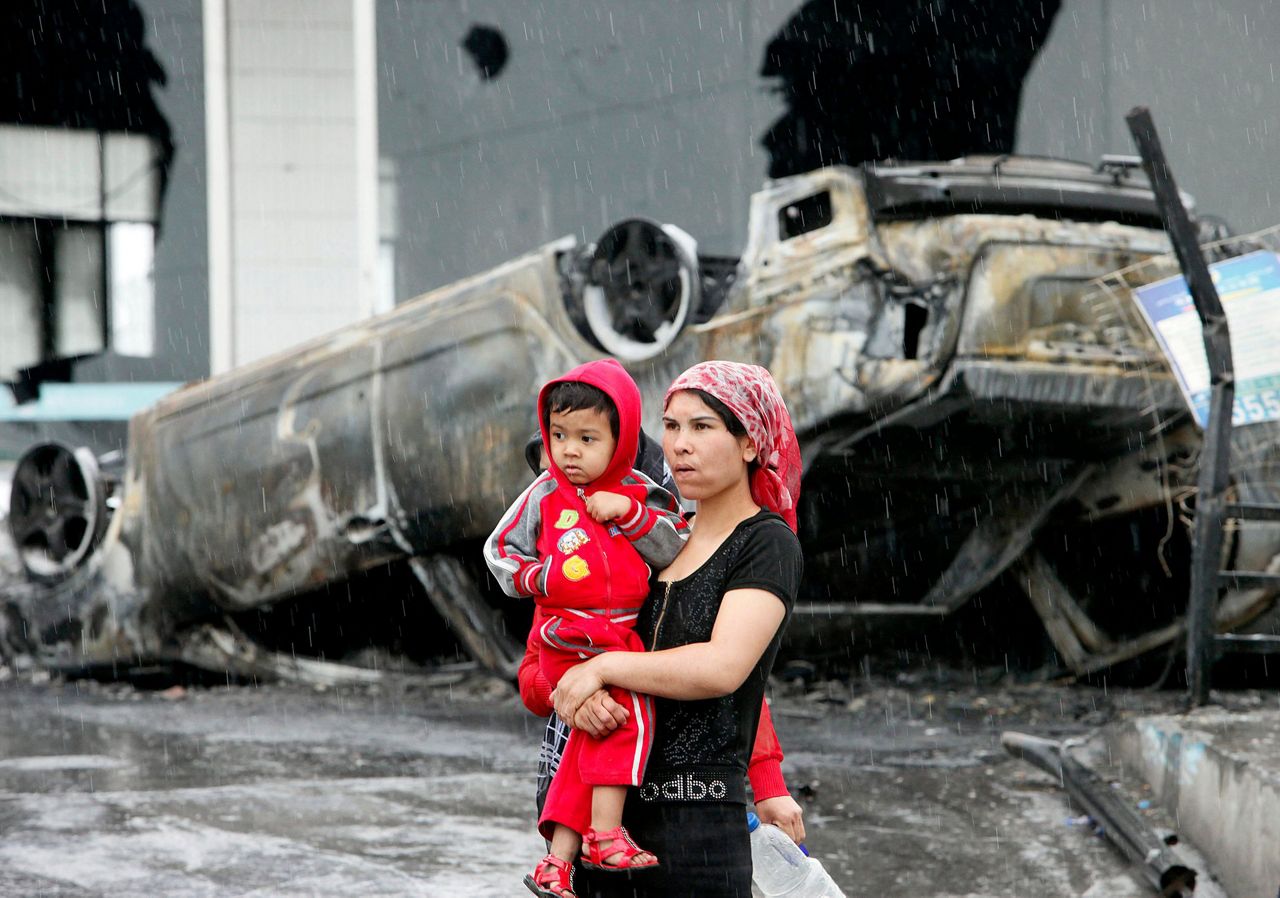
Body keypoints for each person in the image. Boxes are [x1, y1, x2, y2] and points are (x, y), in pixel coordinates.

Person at [548, 360, 804, 898]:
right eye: (671, 425)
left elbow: (723, 668)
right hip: (611, 826)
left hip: (701, 829)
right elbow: (567, 640)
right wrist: (577, 695)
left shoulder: (766, 543)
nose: (679, 444)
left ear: (750, 443)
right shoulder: (653, 541)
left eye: (702, 426)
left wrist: (605, 669)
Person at [484, 358, 689, 898]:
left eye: (586, 440)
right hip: (573, 655)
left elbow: (673, 543)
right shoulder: (548, 503)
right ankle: (592, 841)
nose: (567, 456)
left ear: (621, 447)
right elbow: (531, 675)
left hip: (675, 790)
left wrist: (626, 511)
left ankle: (560, 859)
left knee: (603, 730)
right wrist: (563, 693)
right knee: (608, 723)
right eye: (556, 440)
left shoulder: (646, 510)